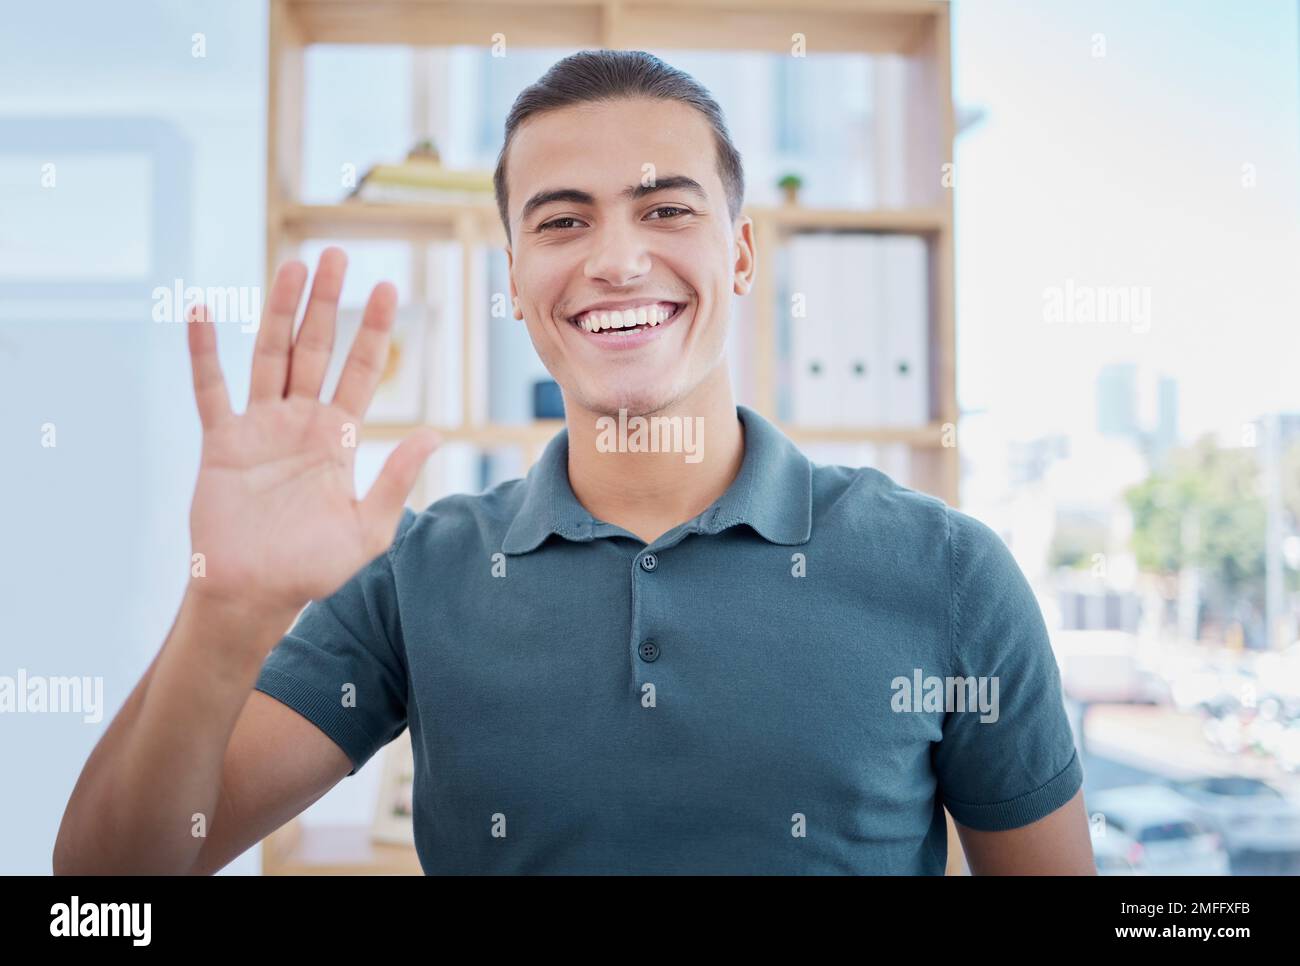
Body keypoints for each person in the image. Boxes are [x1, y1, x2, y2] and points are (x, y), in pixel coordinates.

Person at [54, 50, 1094, 875]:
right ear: (514, 278)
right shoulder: (416, 577)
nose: (614, 258)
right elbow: (106, 888)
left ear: (739, 253)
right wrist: (226, 611)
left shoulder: (947, 572)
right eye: (562, 222)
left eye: (666, 210)